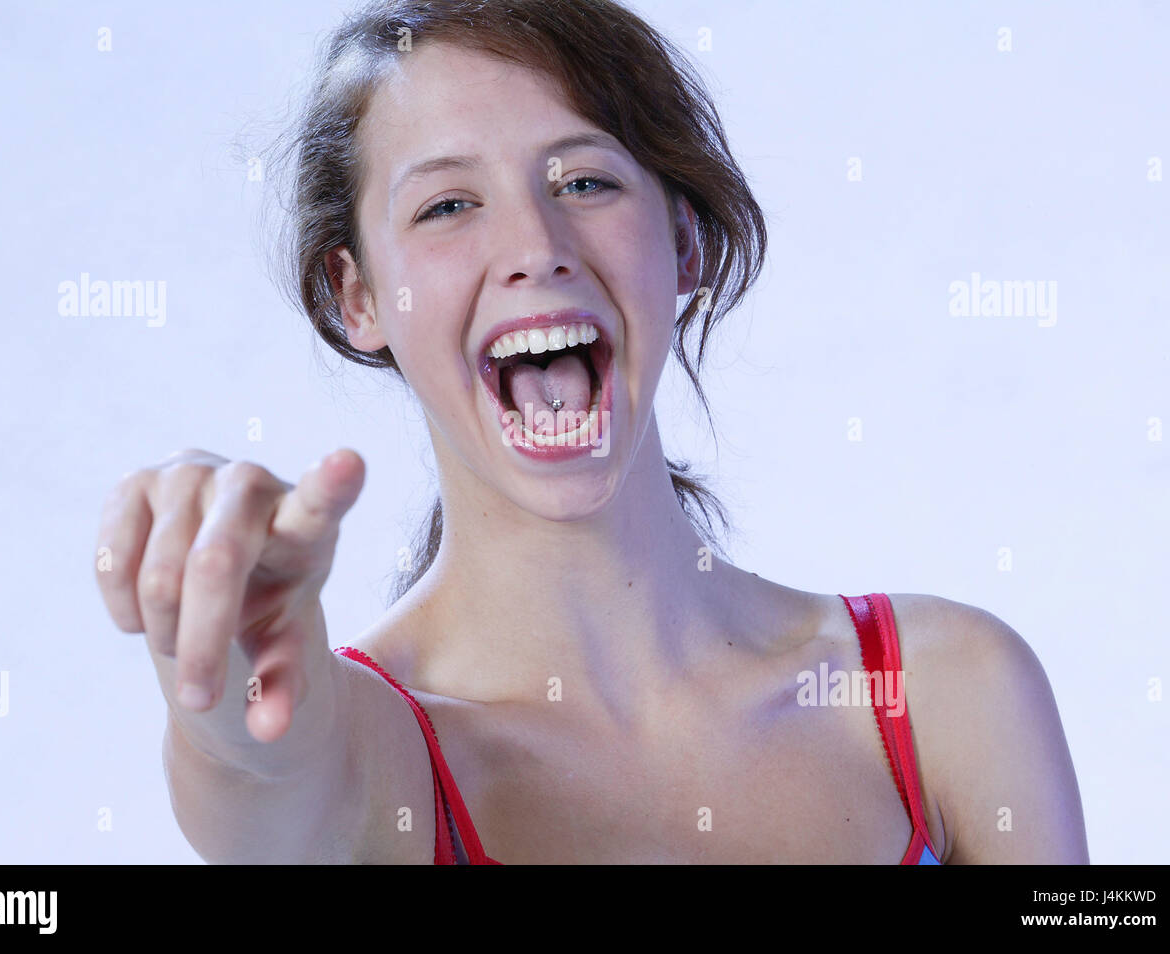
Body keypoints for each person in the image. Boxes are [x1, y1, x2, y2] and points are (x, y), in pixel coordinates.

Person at [95, 0, 1089, 864]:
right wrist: (227, 688)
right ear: (357, 297)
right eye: (447, 205)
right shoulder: (371, 750)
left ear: (683, 240)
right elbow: (263, 772)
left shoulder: (941, 688)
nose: (535, 247)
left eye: (584, 182)